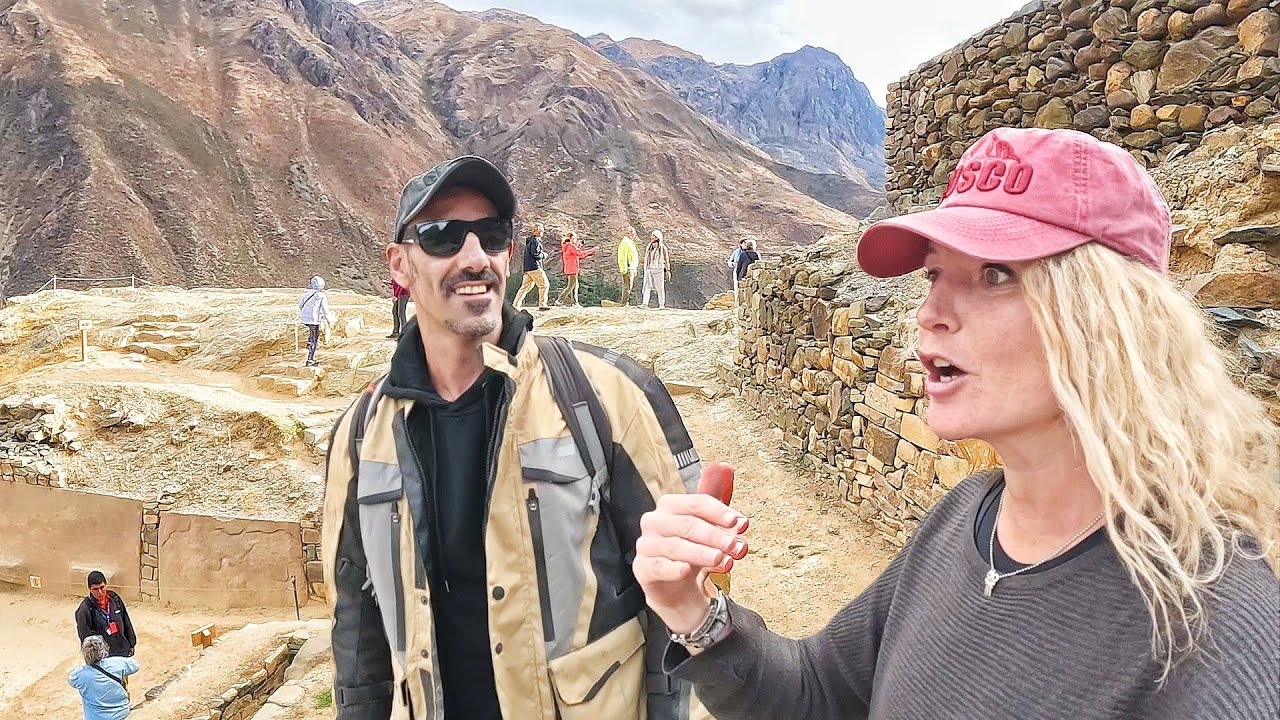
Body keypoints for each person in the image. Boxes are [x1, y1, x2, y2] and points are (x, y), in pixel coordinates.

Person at [633, 127, 1279, 719]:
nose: (931, 312)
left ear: (1106, 318)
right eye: (936, 273)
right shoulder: (963, 520)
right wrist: (697, 615)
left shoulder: (1215, 632)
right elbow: (820, 694)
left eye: (995, 274)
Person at [322, 155, 710, 720]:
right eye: (442, 237)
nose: (474, 258)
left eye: (492, 235)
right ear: (399, 267)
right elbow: (355, 629)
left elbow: (678, 603)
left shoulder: (606, 398)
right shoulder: (361, 438)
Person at [69, 635, 139, 720]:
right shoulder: (116, 663)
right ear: (103, 649)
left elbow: (71, 679)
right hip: (121, 714)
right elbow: (135, 665)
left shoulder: (80, 674)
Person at [75, 571, 137, 660]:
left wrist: (131, 643)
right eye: (95, 589)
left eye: (102, 587)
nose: (100, 592)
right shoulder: (84, 610)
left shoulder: (114, 598)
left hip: (122, 650)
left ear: (106, 585)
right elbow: (86, 640)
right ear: (89, 588)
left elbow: (125, 619)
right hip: (103, 658)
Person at [513, 223, 551, 311]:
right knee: (544, 285)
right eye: (541, 229)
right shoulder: (536, 241)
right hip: (535, 267)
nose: (542, 231)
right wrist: (543, 255)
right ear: (536, 231)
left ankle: (515, 305)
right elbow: (535, 254)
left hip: (527, 268)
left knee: (525, 287)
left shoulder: (529, 241)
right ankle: (542, 304)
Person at [555, 230, 597, 307]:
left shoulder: (566, 246)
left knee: (575, 286)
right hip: (573, 268)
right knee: (571, 286)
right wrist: (591, 250)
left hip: (569, 268)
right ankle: (559, 301)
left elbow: (575, 251)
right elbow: (580, 254)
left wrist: (579, 245)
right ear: (572, 238)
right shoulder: (571, 246)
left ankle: (574, 302)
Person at [299, 275, 333, 367]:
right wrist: (329, 321)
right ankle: (310, 359)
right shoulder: (321, 296)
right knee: (315, 339)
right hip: (314, 320)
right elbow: (325, 310)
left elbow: (300, 306)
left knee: (311, 334)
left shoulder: (305, 294)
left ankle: (309, 342)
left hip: (304, 318)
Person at [641, 229, 672, 309]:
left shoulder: (662, 248)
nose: (652, 237)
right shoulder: (649, 247)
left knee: (660, 287)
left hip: (658, 269)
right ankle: (645, 304)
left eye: (653, 236)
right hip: (650, 269)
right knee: (647, 286)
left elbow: (666, 259)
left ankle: (661, 304)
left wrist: (667, 270)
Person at [617, 226, 639, 305]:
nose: (634, 235)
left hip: (632, 267)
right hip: (628, 268)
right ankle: (624, 303)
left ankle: (625, 302)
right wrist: (624, 269)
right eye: (633, 233)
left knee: (629, 286)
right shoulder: (625, 243)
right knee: (627, 286)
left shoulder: (629, 242)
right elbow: (622, 257)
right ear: (629, 233)